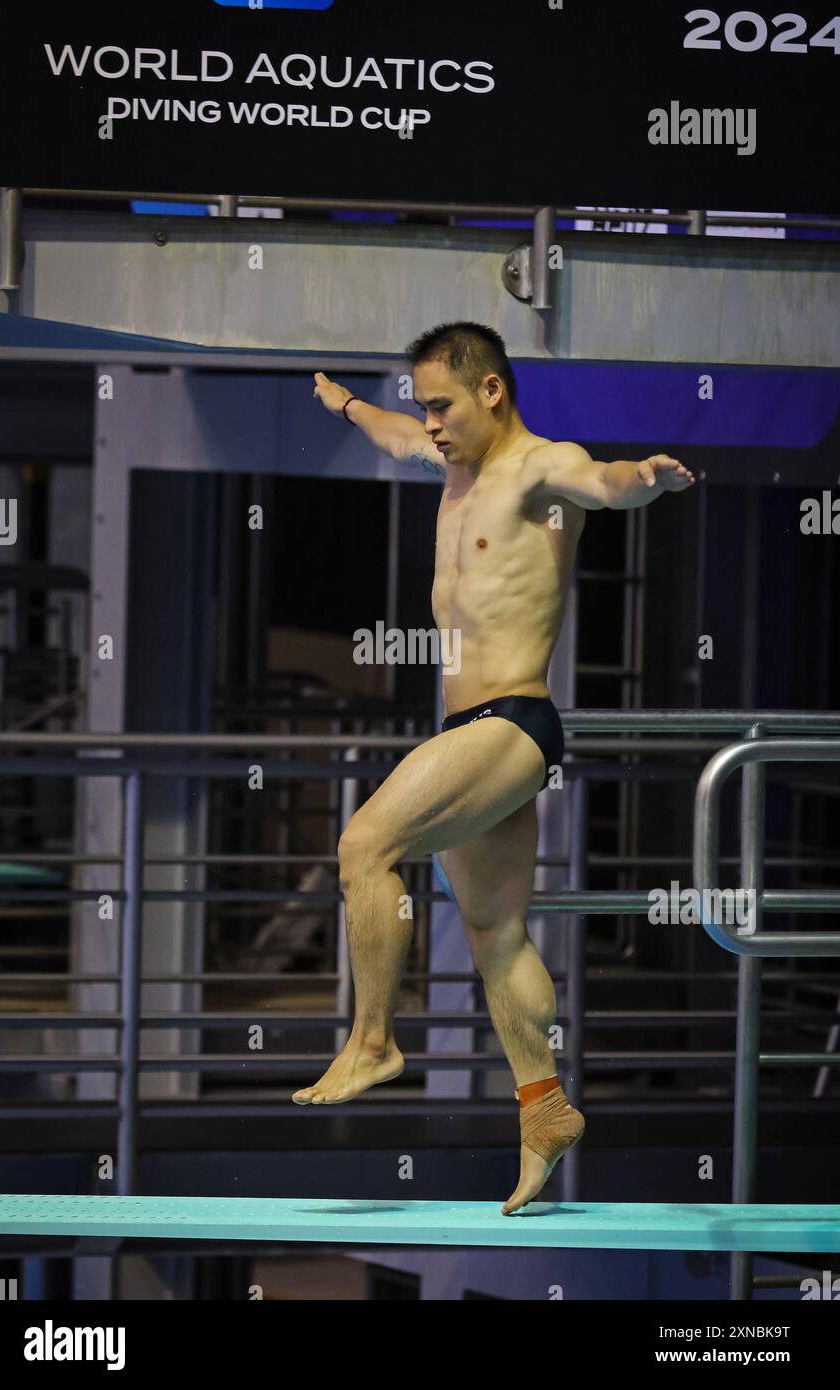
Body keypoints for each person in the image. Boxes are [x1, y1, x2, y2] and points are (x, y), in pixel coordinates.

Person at [296, 322, 695, 1215]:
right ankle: (544, 1107)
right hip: (471, 727)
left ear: (491, 392)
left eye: (440, 405)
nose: (428, 424)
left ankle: (371, 1041)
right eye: (422, 406)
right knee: (495, 938)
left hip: (513, 721)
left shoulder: (538, 466)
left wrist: (645, 482)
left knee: (364, 848)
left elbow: (600, 482)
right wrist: (350, 404)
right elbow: (394, 435)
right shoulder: (452, 466)